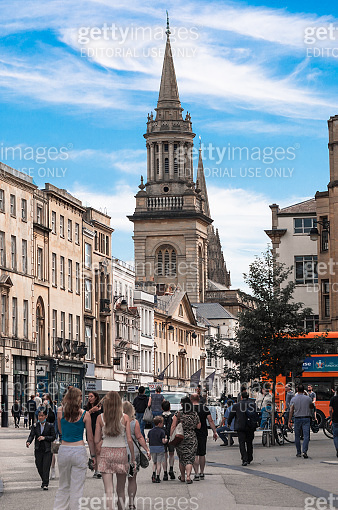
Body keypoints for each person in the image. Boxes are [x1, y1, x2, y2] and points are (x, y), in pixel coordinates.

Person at [53, 387, 96, 510]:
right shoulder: (85, 414)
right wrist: (93, 456)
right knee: (77, 488)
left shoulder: (60, 411)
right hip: (78, 449)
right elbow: (90, 438)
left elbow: (61, 431)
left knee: (63, 485)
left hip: (64, 449)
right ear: (78, 398)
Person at [95, 391, 135, 510]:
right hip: (121, 452)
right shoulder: (125, 417)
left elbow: (96, 439)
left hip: (106, 451)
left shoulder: (100, 418)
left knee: (108, 489)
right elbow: (129, 439)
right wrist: (132, 457)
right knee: (121, 488)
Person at [123, 401, 151, 508]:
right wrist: (147, 449)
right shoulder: (134, 422)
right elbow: (139, 437)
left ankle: (120, 502)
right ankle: (131, 503)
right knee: (132, 479)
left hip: (119, 451)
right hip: (132, 452)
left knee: (120, 480)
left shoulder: (116, 422)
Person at [170, 396, 201, 484]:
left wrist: (171, 436)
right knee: (190, 458)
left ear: (182, 404)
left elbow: (173, 426)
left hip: (180, 437)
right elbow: (199, 426)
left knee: (182, 458)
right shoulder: (194, 414)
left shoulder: (178, 414)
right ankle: (188, 476)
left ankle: (182, 476)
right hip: (191, 437)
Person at [26, 408, 56, 490]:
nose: (40, 417)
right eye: (39, 416)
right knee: (39, 466)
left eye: (42, 416)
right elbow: (31, 435)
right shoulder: (35, 426)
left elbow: (53, 437)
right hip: (38, 449)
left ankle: (45, 483)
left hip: (47, 449)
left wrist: (44, 438)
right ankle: (44, 479)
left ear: (46, 416)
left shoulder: (50, 426)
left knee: (46, 466)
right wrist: (28, 442)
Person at [190, 393, 217, 480]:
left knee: (194, 453)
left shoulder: (189, 409)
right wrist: (214, 432)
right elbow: (210, 420)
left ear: (191, 399)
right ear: (198, 399)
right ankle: (202, 472)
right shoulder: (204, 408)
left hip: (192, 433)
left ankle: (196, 473)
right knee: (202, 453)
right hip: (203, 433)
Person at [228, 390, 258, 466]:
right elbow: (256, 414)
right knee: (249, 442)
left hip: (240, 426)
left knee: (241, 443)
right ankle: (249, 458)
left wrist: (229, 423)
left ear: (241, 397)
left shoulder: (236, 405)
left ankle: (244, 459)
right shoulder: (252, 404)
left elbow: (231, 415)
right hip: (250, 426)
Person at [288, 384, 314, 459]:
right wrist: (313, 416)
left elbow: (291, 410)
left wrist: (289, 421)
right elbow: (312, 407)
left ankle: (298, 452)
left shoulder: (293, 399)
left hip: (297, 418)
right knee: (306, 435)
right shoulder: (308, 398)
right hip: (306, 418)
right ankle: (304, 451)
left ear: (297, 390)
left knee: (297, 436)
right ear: (304, 390)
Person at [85, 391, 102, 479]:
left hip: (98, 430)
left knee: (98, 449)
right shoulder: (86, 407)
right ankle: (94, 467)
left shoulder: (100, 407)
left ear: (95, 397)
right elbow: (83, 416)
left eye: (91, 396)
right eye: (88, 396)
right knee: (92, 451)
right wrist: (91, 411)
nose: (90, 398)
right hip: (89, 430)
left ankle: (98, 470)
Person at [147, 416, 168, 483]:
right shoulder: (162, 431)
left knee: (154, 462)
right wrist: (166, 440)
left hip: (152, 448)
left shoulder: (150, 431)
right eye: (162, 423)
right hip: (160, 448)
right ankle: (158, 476)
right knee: (159, 463)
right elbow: (163, 441)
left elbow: (147, 440)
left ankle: (153, 474)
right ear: (159, 424)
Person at [161, 400, 175, 480]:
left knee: (164, 455)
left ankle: (165, 473)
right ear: (170, 407)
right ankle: (171, 469)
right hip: (171, 437)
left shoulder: (159, 417)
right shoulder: (173, 416)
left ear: (162, 408)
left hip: (162, 438)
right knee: (171, 454)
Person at [329, 387, 338, 457]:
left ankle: (337, 449)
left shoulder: (333, 399)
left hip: (335, 418)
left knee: (335, 436)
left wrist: (331, 417)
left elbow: (330, 410)